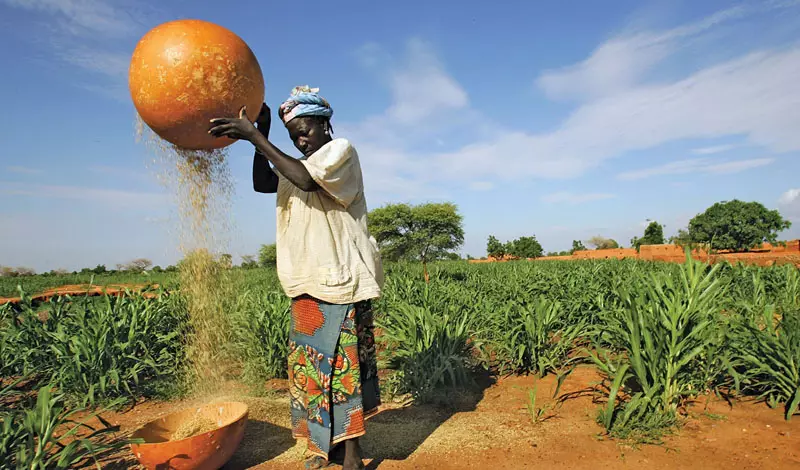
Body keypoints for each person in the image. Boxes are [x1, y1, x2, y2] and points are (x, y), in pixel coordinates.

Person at [209, 86, 383, 470]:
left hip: (340, 283)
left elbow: (304, 180)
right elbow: (263, 182)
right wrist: (263, 135)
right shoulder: (296, 164)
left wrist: (255, 136)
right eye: (294, 136)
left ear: (324, 123)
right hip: (304, 282)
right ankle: (325, 447)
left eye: (305, 130)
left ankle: (352, 455)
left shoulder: (339, 153)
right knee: (313, 372)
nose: (301, 140)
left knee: (343, 369)